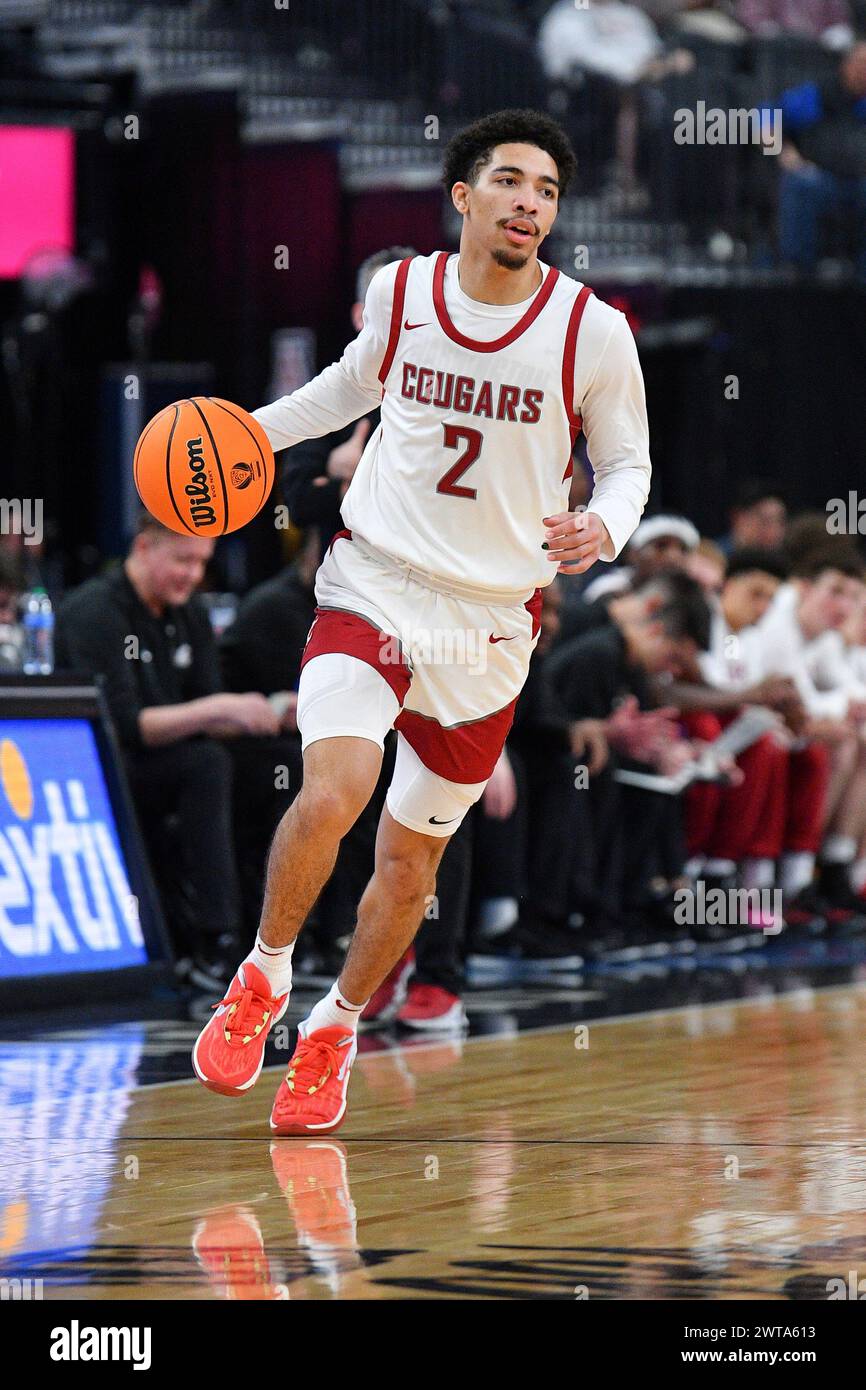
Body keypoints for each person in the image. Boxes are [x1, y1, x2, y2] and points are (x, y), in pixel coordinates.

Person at [192, 107, 651, 1135]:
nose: (529, 201)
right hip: (375, 583)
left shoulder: (590, 329)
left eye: (546, 189)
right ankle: (261, 974)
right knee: (333, 789)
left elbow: (627, 465)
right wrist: (243, 439)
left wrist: (603, 527)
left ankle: (336, 1027)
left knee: (409, 867)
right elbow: (345, 390)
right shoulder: (399, 292)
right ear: (462, 195)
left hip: (490, 622)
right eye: (510, 180)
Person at [55, 512, 289, 990]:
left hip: (181, 761)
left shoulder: (190, 612)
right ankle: (214, 940)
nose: (194, 575)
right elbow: (128, 727)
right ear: (143, 548)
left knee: (280, 763)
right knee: (206, 764)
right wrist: (219, 708)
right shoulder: (95, 612)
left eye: (202, 562)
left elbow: (209, 707)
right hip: (107, 771)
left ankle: (291, 939)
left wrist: (268, 711)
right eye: (183, 560)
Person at [768, 41, 866, 277]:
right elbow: (765, 116)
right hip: (822, 178)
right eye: (862, 65)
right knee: (801, 183)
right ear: (847, 65)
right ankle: (798, 273)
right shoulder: (819, 95)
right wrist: (783, 152)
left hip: (861, 182)